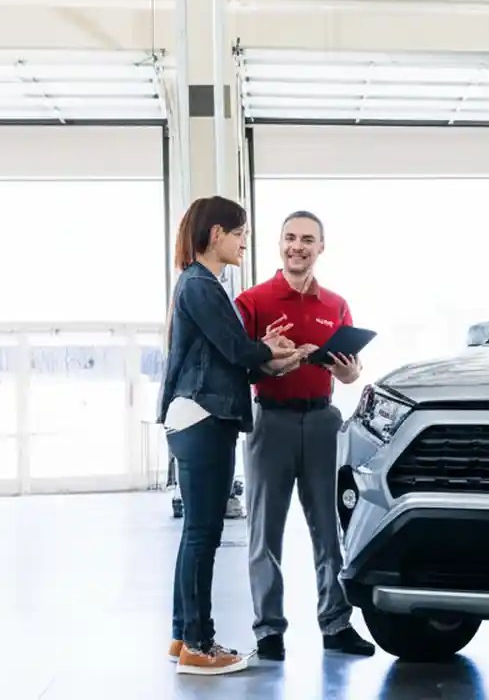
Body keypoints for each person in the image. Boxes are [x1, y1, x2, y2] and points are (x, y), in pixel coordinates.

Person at [158, 196, 307, 675]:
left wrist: (272, 352)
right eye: (239, 233)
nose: (244, 242)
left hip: (200, 414)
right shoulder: (201, 284)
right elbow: (237, 350)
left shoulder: (202, 285)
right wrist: (265, 348)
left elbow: (231, 356)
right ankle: (199, 646)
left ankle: (184, 636)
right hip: (203, 416)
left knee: (196, 533)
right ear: (216, 234)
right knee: (203, 534)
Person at [234, 210, 376, 660]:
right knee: (264, 531)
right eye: (291, 238)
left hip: (322, 423)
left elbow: (351, 372)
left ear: (321, 248)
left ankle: (336, 624)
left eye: (308, 240)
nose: (298, 246)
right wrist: (280, 359)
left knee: (329, 530)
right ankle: (268, 630)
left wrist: (349, 373)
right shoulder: (253, 302)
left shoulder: (336, 305)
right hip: (270, 421)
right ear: (280, 244)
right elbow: (237, 364)